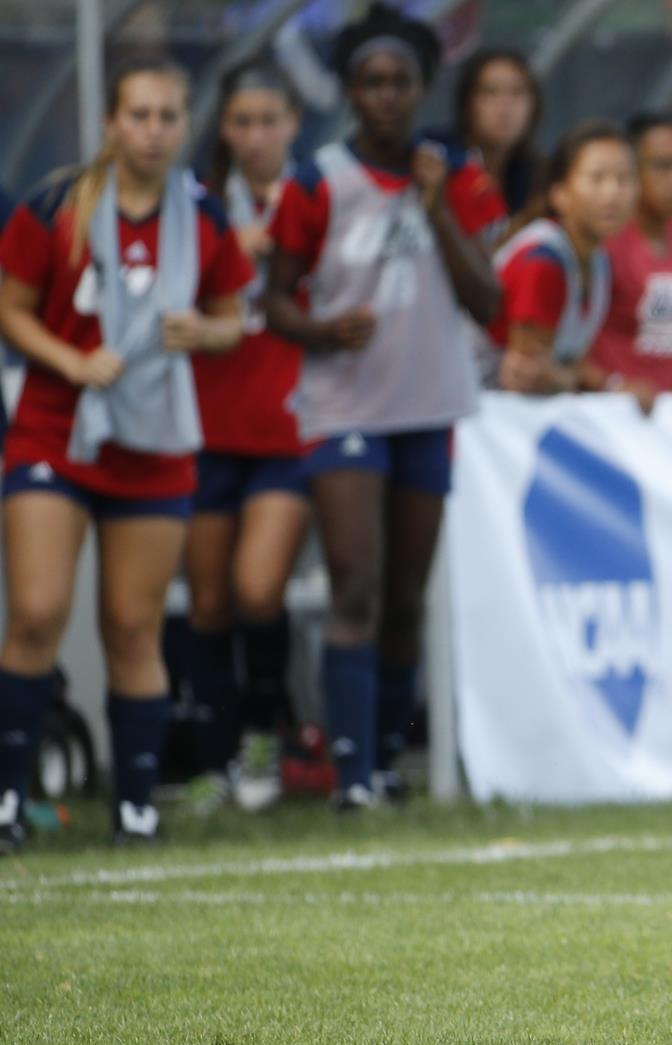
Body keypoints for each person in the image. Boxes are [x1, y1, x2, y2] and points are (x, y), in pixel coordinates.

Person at [0, 59, 253, 848]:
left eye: (168, 116)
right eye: (138, 115)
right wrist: (72, 362)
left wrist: (205, 332)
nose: (153, 130)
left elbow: (233, 316)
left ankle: (136, 807)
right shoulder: (55, 205)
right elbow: (10, 307)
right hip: (56, 430)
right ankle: (7, 798)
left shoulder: (203, 217)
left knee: (131, 627)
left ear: (186, 124)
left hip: (154, 442)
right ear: (110, 122)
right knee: (37, 611)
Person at [263, 3, 503, 811]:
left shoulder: (454, 176)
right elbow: (274, 301)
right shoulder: (315, 180)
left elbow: (489, 297)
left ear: (422, 86)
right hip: (345, 410)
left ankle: (389, 757)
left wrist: (436, 206)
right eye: (372, 82)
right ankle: (351, 772)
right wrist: (323, 327)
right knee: (356, 585)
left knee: (406, 595)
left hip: (430, 406)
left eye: (403, 82)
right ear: (350, 91)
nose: (389, 96)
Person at [184, 62, 311, 813]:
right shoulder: (194, 206)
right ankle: (213, 762)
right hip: (203, 425)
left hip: (291, 426)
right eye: (242, 122)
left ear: (294, 121)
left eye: (270, 120)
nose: (257, 135)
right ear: (224, 128)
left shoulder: (317, 196)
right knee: (206, 603)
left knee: (258, 589)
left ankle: (267, 735)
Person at [482, 121, 635, 397]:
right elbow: (528, 375)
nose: (613, 194)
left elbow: (570, 361)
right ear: (559, 193)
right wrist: (587, 384)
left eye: (624, 179)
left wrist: (614, 385)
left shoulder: (598, 260)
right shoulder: (542, 262)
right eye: (597, 179)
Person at [590, 113, 672, 410]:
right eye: (662, 166)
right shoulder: (607, 242)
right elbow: (567, 343)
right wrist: (613, 385)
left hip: (662, 422)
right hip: (604, 417)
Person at [448, 48, 541, 218]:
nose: (505, 106)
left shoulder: (541, 181)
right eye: (490, 92)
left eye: (517, 92)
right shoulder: (443, 166)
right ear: (467, 104)